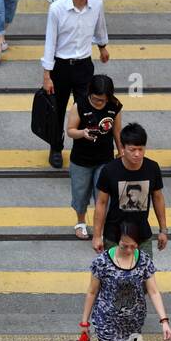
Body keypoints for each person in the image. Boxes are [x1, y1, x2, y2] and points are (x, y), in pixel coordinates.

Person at [80, 221, 171, 341]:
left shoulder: (143, 261)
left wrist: (164, 320)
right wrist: (84, 322)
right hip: (107, 321)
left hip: (134, 322)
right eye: (124, 246)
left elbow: (153, 291)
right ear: (116, 241)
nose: (129, 250)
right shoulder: (103, 262)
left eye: (133, 246)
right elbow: (92, 292)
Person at [41, 0, 110, 169]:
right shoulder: (57, 9)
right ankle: (55, 147)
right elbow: (50, 42)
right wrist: (47, 75)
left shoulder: (96, 3)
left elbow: (100, 26)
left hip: (84, 66)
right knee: (58, 110)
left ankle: (81, 149)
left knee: (85, 110)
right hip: (61, 67)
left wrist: (103, 47)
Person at [92, 122, 168, 257]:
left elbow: (158, 197)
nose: (137, 154)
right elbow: (101, 203)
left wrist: (163, 230)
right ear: (122, 148)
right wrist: (97, 235)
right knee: (114, 276)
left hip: (142, 235)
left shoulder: (152, 168)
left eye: (141, 149)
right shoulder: (109, 170)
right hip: (114, 235)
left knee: (145, 275)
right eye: (132, 150)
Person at [65, 74, 122, 239]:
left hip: (105, 159)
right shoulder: (80, 105)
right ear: (90, 93)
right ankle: (81, 221)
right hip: (81, 161)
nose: (100, 103)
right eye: (96, 99)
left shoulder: (115, 105)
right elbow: (70, 131)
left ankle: (100, 228)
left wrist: (121, 151)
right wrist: (83, 133)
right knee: (80, 194)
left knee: (103, 196)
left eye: (103, 100)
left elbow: (117, 131)